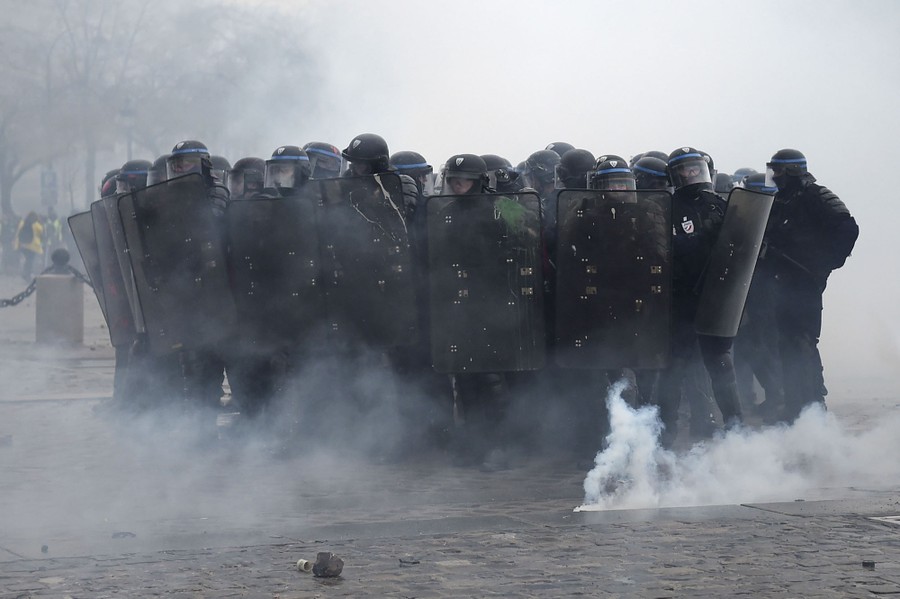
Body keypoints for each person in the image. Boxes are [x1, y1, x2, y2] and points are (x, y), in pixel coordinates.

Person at [655, 147, 743, 446]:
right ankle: (663, 432)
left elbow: (742, 246)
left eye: (696, 169)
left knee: (720, 363)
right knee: (673, 366)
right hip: (682, 298)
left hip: (717, 297)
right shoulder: (666, 208)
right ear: (674, 175)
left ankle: (735, 428)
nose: (691, 174)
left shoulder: (723, 206)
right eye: (684, 170)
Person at [762, 148, 858, 421]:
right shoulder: (780, 200)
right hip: (781, 282)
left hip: (805, 281)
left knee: (803, 343)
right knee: (786, 344)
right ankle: (795, 407)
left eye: (778, 171)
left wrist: (824, 263)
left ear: (792, 171)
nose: (775, 176)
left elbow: (848, 227)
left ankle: (814, 407)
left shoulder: (817, 195)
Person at [14, 212, 44, 280]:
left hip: (23, 245)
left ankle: (25, 273)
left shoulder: (22, 223)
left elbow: (18, 232)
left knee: (27, 260)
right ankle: (27, 274)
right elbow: (41, 232)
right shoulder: (36, 225)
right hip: (33, 246)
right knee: (30, 261)